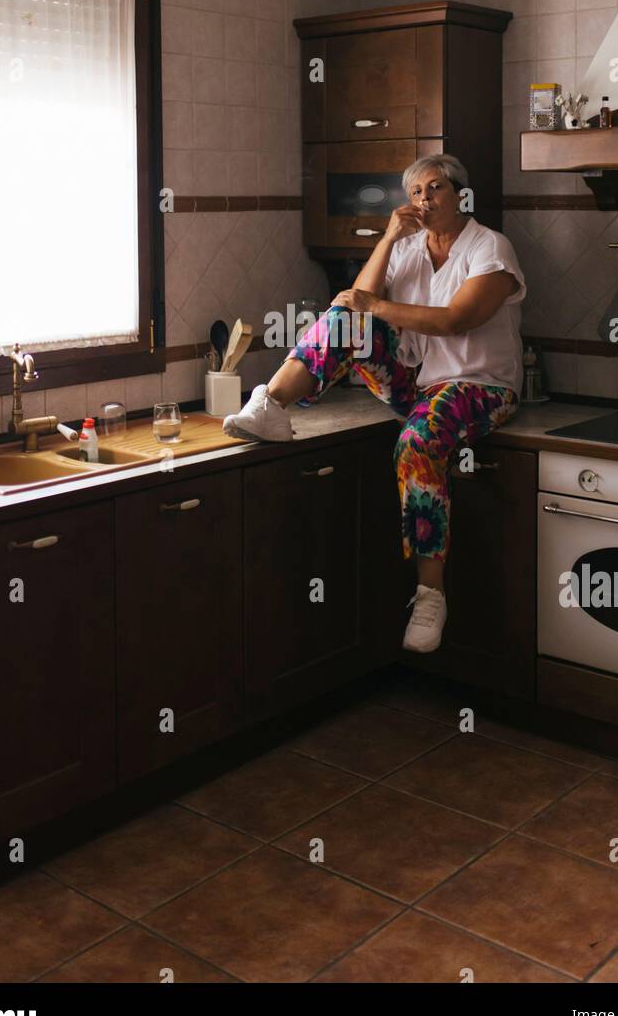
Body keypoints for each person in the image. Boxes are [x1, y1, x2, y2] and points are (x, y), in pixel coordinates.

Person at [223, 155, 526, 652]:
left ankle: (431, 594)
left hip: (481, 387)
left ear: (460, 195)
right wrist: (388, 238)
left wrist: (376, 307)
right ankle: (271, 405)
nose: (425, 200)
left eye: (435, 189)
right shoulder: (408, 247)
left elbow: (455, 320)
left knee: (418, 440)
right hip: (419, 384)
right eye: (416, 193)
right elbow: (354, 302)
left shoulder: (490, 247)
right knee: (345, 320)